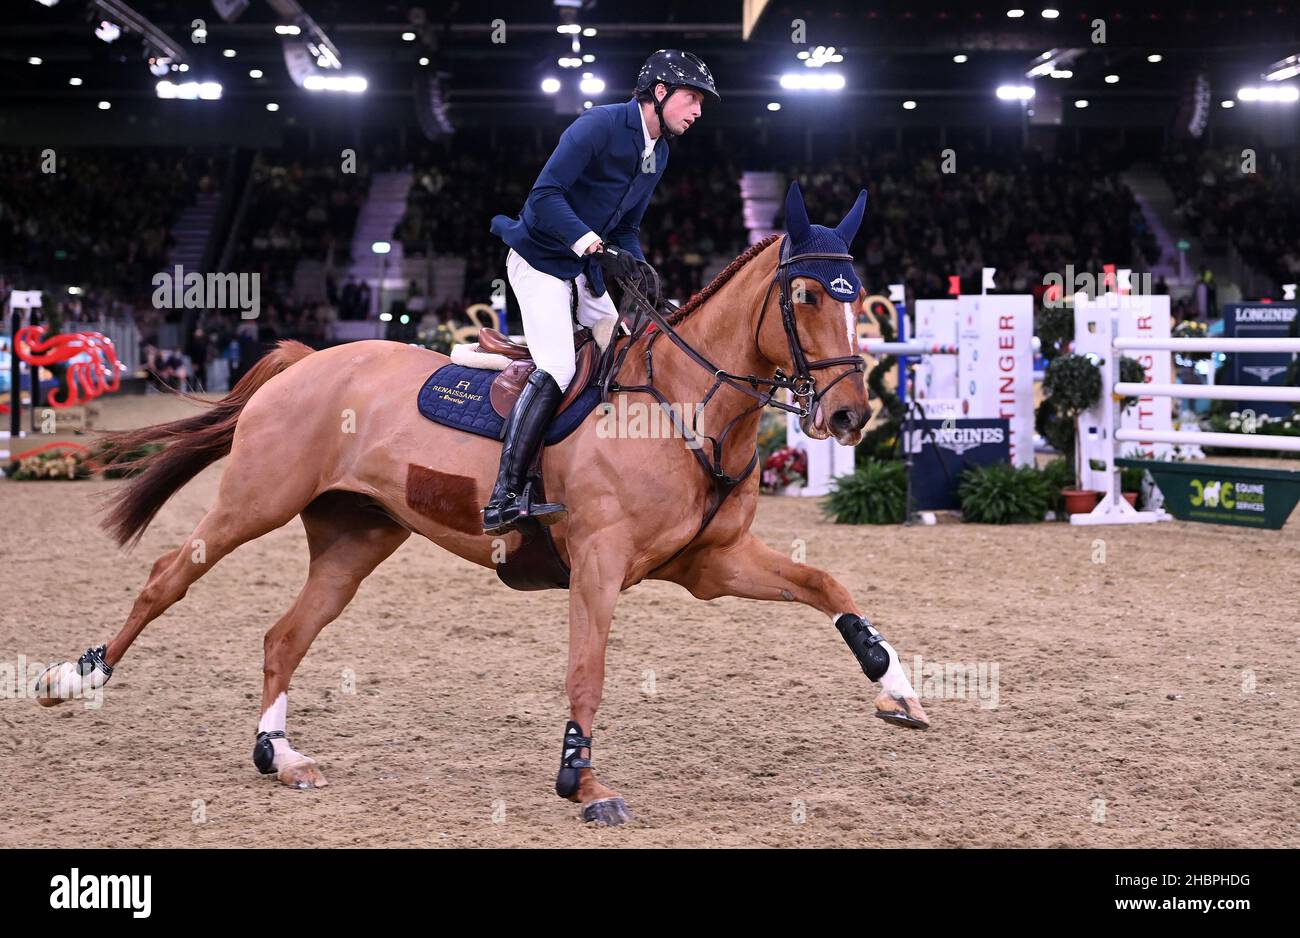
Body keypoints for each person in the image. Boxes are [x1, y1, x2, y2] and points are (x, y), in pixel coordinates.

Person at [484, 49, 719, 534]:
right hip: (539, 261)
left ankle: (597, 468)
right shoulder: (599, 126)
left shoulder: (660, 152)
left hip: (582, 272)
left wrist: (637, 265)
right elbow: (544, 197)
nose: (697, 111)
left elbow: (628, 226)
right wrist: (594, 244)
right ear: (660, 92)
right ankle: (505, 493)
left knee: (625, 350)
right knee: (559, 366)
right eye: (692, 99)